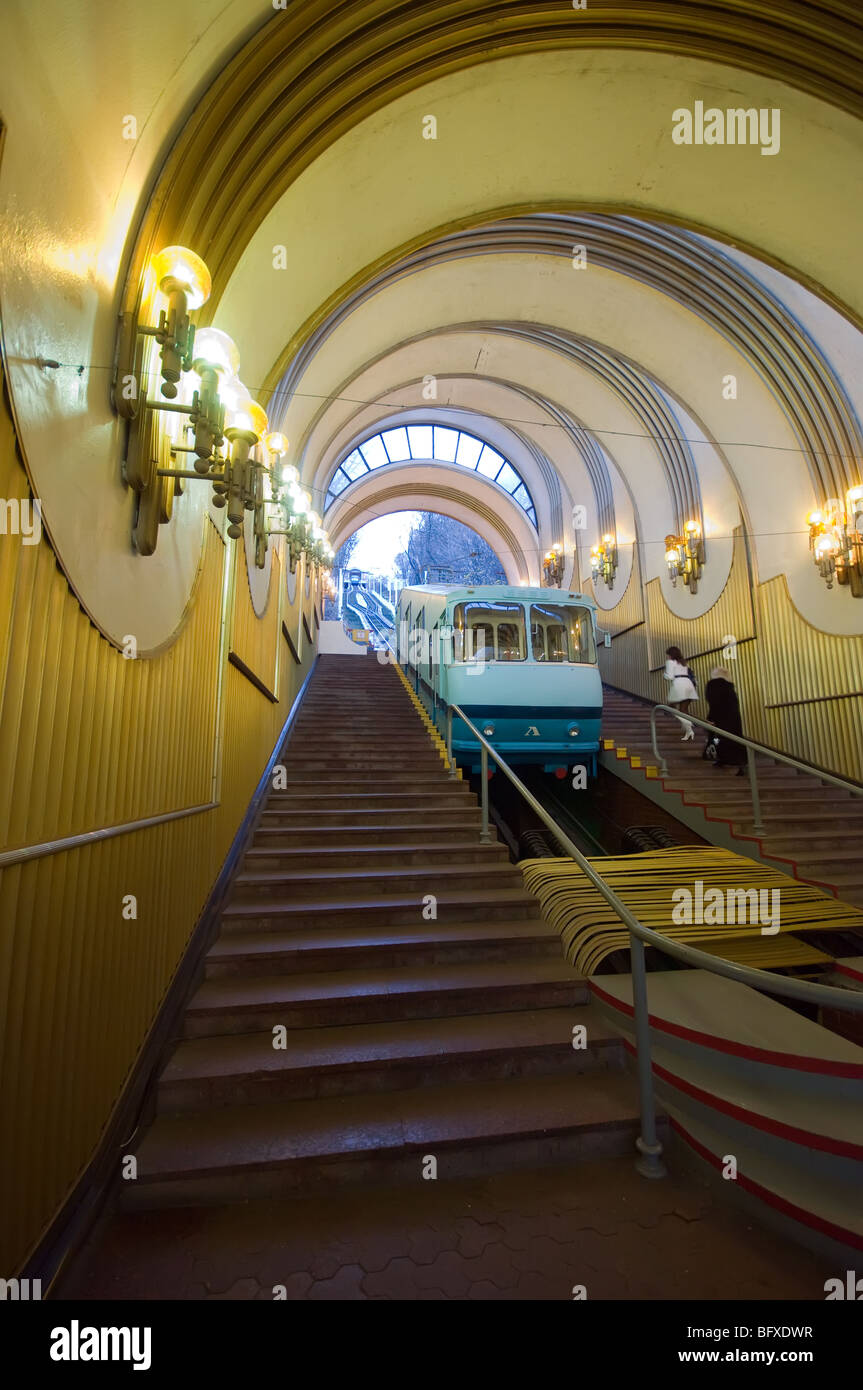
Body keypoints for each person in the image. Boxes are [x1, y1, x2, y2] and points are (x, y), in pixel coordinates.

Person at [706, 666, 746, 774]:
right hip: (733, 720)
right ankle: (740, 763)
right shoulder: (730, 687)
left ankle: (722, 759)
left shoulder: (713, 685)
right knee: (733, 739)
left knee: (718, 739)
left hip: (720, 719)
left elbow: (714, 704)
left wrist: (711, 718)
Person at [662, 645, 698, 740]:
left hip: (679, 685)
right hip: (688, 685)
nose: (667, 657)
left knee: (671, 707)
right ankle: (689, 732)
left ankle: (689, 726)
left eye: (668, 655)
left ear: (671, 655)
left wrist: (664, 675)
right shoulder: (683, 662)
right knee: (683, 710)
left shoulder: (670, 662)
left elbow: (670, 677)